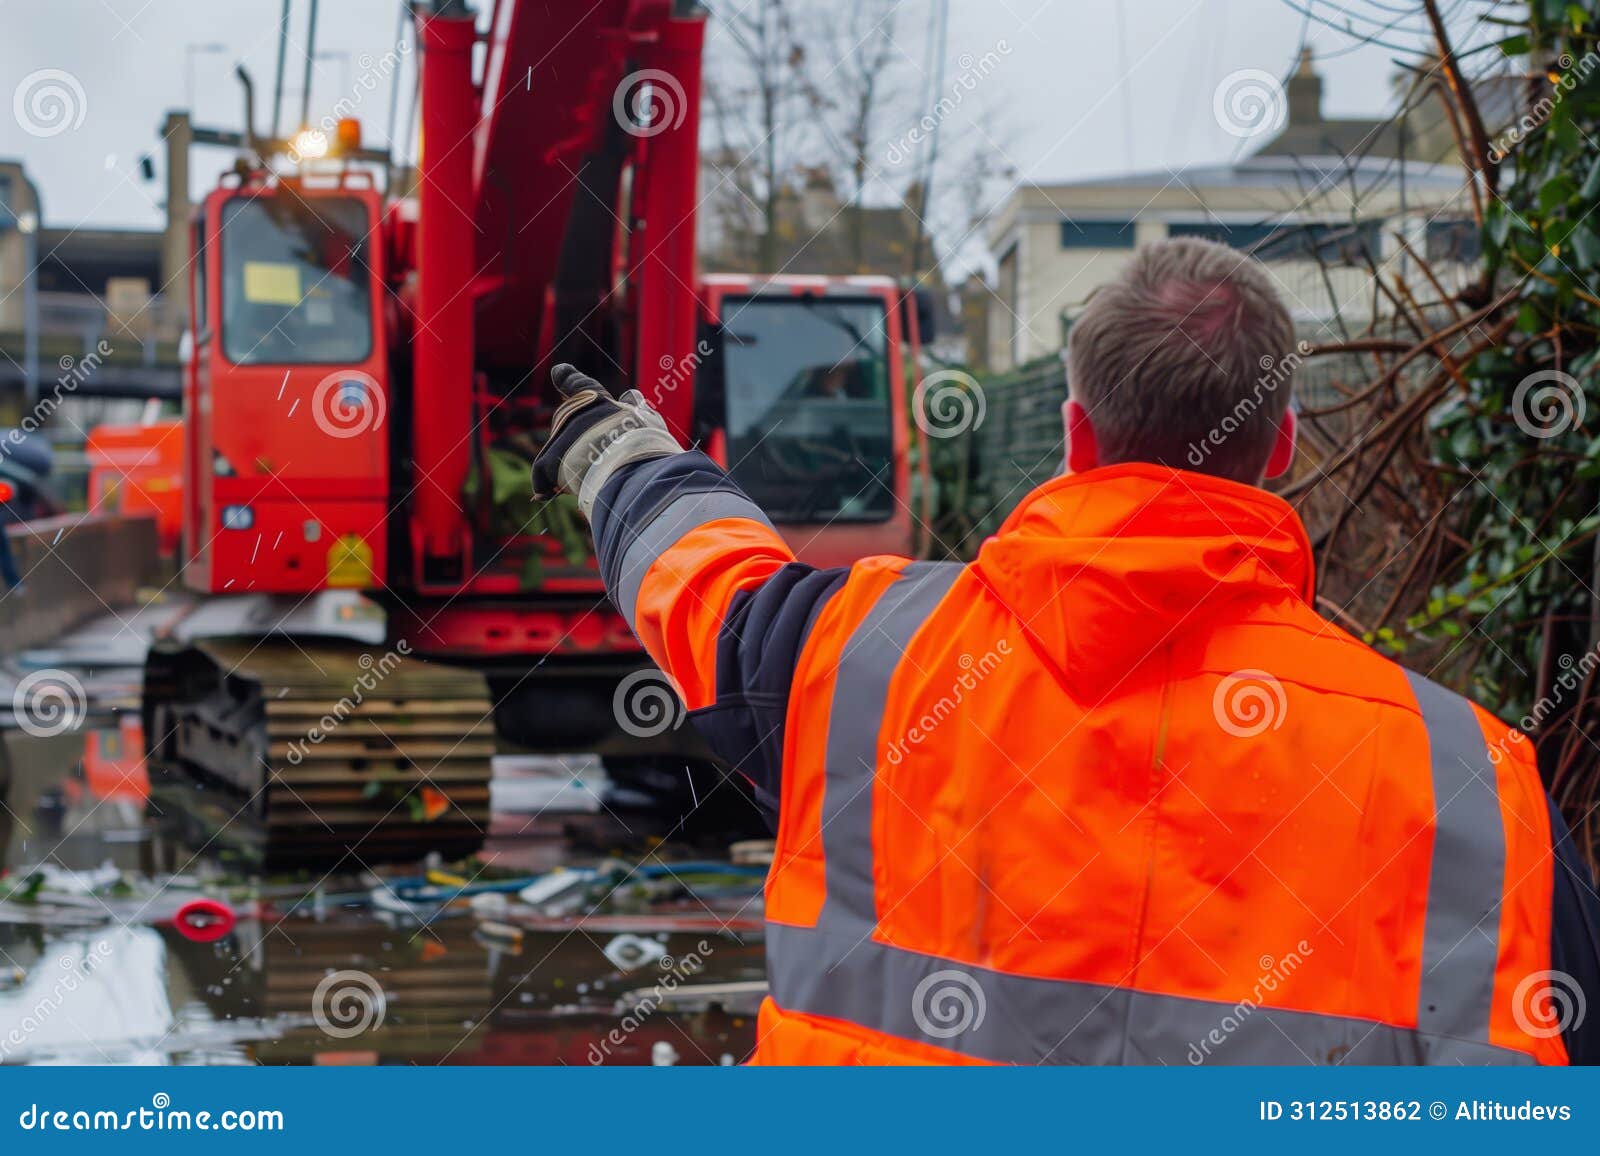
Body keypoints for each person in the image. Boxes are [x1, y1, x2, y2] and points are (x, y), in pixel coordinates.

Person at [531, 237, 1600, 1065]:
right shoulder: (1464, 782)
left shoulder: (858, 658)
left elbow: (705, 585)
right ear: (1279, 447)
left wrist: (617, 456)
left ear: (1075, 433)